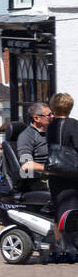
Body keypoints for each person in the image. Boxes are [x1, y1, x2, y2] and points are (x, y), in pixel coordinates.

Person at [45, 93, 78, 245]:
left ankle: (61, 243)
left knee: (59, 208)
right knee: (73, 207)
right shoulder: (74, 124)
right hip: (72, 173)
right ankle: (72, 243)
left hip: (55, 173)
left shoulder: (50, 126)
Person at [16, 101, 52, 192]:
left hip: (55, 176)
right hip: (40, 181)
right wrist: (51, 169)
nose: (52, 116)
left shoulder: (52, 133)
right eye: (49, 115)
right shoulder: (27, 136)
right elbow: (26, 164)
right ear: (36, 118)